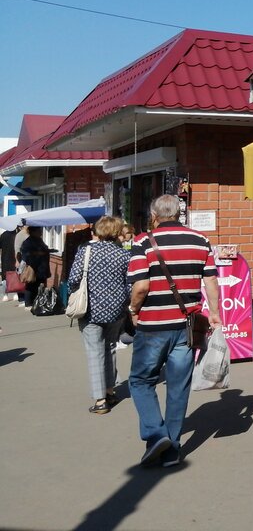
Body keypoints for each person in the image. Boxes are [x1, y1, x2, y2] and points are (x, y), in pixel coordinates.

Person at [127, 195, 221, 468]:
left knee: (141, 381)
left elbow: (141, 287)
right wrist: (214, 313)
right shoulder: (200, 240)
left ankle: (156, 435)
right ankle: (172, 451)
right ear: (179, 214)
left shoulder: (143, 242)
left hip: (152, 326)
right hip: (186, 327)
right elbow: (211, 281)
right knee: (178, 386)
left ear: (154, 215)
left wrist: (133, 310)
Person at [67, 217, 130, 414]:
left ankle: (100, 400)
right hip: (116, 310)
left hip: (90, 309)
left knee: (95, 351)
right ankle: (110, 391)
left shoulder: (86, 251)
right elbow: (130, 284)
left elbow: (73, 279)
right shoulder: (124, 255)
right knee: (110, 347)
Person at [20, 226, 51, 311]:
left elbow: (44, 248)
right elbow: (26, 254)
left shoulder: (39, 240)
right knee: (31, 285)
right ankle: (28, 304)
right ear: (33, 232)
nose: (41, 232)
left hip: (42, 267)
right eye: (39, 231)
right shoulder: (28, 242)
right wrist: (39, 253)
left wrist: (48, 250)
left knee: (41, 285)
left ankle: (39, 302)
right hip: (33, 268)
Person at [1, 225, 16, 301]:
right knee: (16, 276)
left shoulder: (3, 235)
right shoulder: (16, 235)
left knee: (5, 277)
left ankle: (5, 295)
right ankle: (16, 294)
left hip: (5, 259)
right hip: (15, 259)